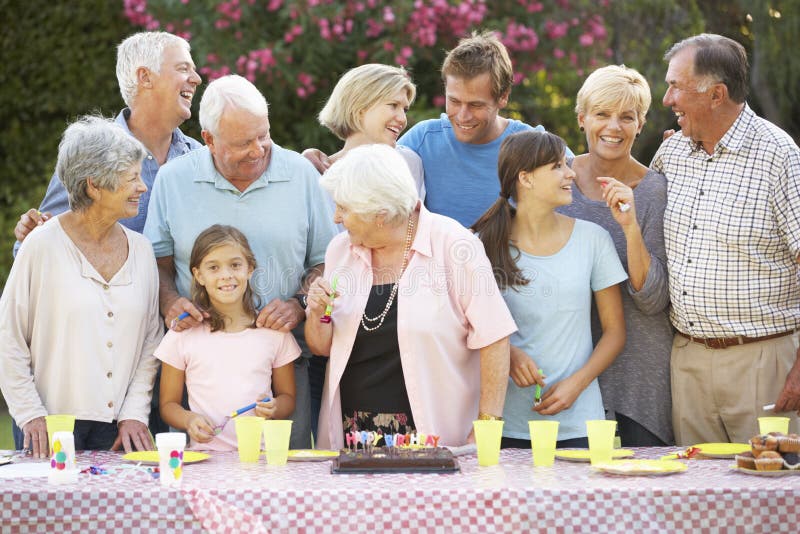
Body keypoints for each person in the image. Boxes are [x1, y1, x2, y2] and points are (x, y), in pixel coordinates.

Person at [144, 74, 337, 449]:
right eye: (242, 142)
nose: (258, 149)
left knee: (285, 479)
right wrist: (169, 301)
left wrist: (299, 304)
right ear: (208, 139)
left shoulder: (301, 175)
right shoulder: (173, 180)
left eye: (263, 135)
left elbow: (329, 261)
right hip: (199, 362)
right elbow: (157, 261)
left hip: (281, 359)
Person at [305, 144, 516, 448]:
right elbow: (322, 347)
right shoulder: (341, 249)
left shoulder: (454, 245)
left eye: (344, 208)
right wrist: (316, 313)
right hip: (354, 432)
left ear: (380, 215)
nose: (336, 216)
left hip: (433, 432)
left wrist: (487, 424)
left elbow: (494, 337)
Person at [652, 34, 800, 445]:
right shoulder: (671, 153)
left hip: (762, 363)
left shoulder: (779, 156)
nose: (667, 100)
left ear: (716, 94)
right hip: (687, 362)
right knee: (694, 500)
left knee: (772, 497)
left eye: (676, 86)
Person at [0, 116, 162, 457]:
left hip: (119, 430)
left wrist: (134, 413)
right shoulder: (40, 245)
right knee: (47, 513)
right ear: (93, 186)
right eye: (132, 178)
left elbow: (151, 340)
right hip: (47, 428)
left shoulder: (142, 251)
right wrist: (29, 414)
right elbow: (8, 336)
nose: (142, 187)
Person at [472, 131, 627, 448]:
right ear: (525, 178)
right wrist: (508, 354)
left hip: (580, 424)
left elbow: (615, 333)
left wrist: (576, 385)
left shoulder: (593, 239)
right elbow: (463, 329)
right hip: (506, 424)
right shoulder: (480, 246)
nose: (571, 173)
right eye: (557, 166)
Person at [558, 66, 673, 446]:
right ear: (582, 118)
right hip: (565, 371)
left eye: (627, 116)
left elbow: (654, 299)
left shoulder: (655, 191)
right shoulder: (557, 182)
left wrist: (630, 227)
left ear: (641, 124)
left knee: (643, 497)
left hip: (638, 379)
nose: (614, 126)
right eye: (602, 114)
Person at [13, 31, 202, 251]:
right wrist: (31, 233)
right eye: (183, 69)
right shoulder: (91, 153)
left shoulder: (200, 157)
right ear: (145, 77)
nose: (197, 79)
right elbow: (35, 247)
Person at [397, 31, 572, 227]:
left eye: (476, 105)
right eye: (454, 101)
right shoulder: (423, 139)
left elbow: (580, 184)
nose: (462, 116)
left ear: (503, 97)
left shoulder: (534, 144)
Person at [156, 225, 300, 450]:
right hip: (205, 460)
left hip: (260, 460)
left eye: (235, 265)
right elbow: (168, 404)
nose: (226, 275)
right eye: (213, 267)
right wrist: (189, 420)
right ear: (198, 275)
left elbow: (288, 397)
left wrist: (275, 407)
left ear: (250, 269)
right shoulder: (182, 335)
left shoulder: (275, 333)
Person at [318, 63, 425, 198]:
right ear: (359, 109)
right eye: (393, 105)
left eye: (405, 109)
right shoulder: (318, 172)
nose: (403, 119)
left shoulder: (409, 163)